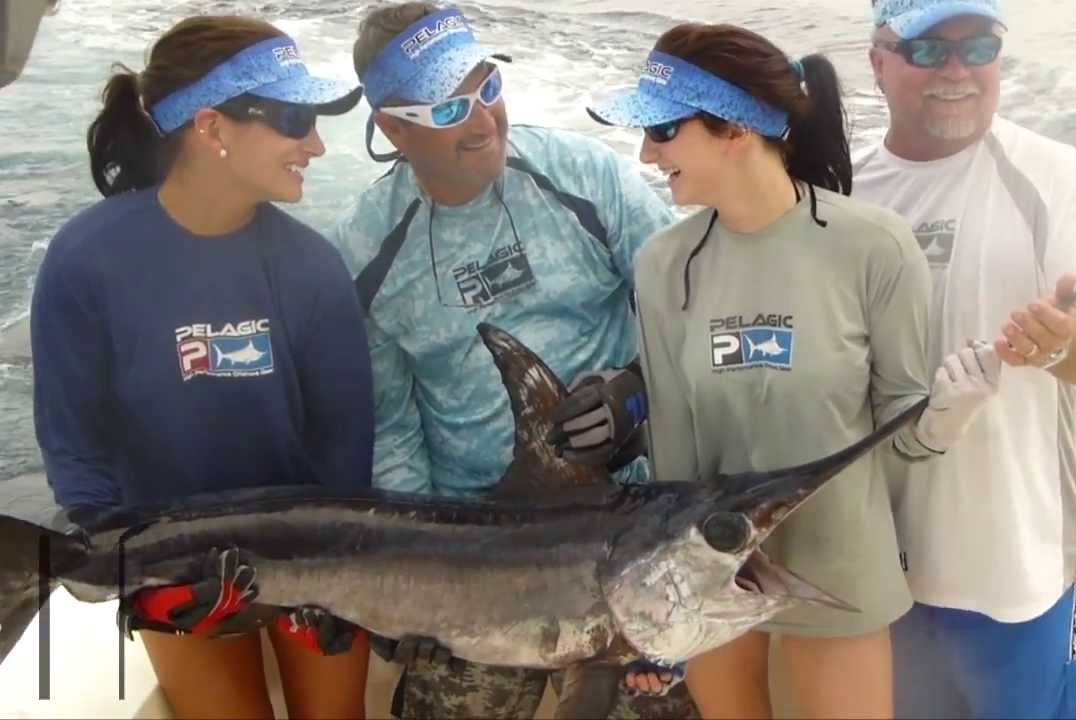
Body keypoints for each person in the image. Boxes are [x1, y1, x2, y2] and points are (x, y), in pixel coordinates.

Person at [582, 21, 1002, 720]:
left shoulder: (875, 247)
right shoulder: (662, 263)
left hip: (838, 570)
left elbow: (901, 437)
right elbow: (675, 460)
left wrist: (945, 419)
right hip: (710, 576)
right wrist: (660, 605)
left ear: (735, 129)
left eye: (662, 131)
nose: (647, 153)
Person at [327, 3, 697, 718]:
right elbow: (394, 430)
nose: (482, 122)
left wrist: (634, 394)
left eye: (488, 88)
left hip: (624, 529)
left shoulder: (586, 176)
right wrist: (415, 575)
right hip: (474, 548)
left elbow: (689, 317)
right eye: (447, 107)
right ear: (394, 130)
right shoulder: (364, 250)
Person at [29, 15, 375, 719]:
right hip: (175, 569)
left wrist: (332, 581)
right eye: (294, 120)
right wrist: (136, 572)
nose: (315, 144)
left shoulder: (313, 266)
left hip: (310, 555)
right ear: (211, 127)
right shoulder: (85, 260)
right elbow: (76, 449)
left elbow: (344, 449)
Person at [852, 1, 1076, 718]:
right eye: (928, 50)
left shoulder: (1055, 177)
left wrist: (1061, 343)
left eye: (979, 47)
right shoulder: (843, 189)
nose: (957, 70)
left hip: (1020, 579)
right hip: (878, 575)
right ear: (878, 62)